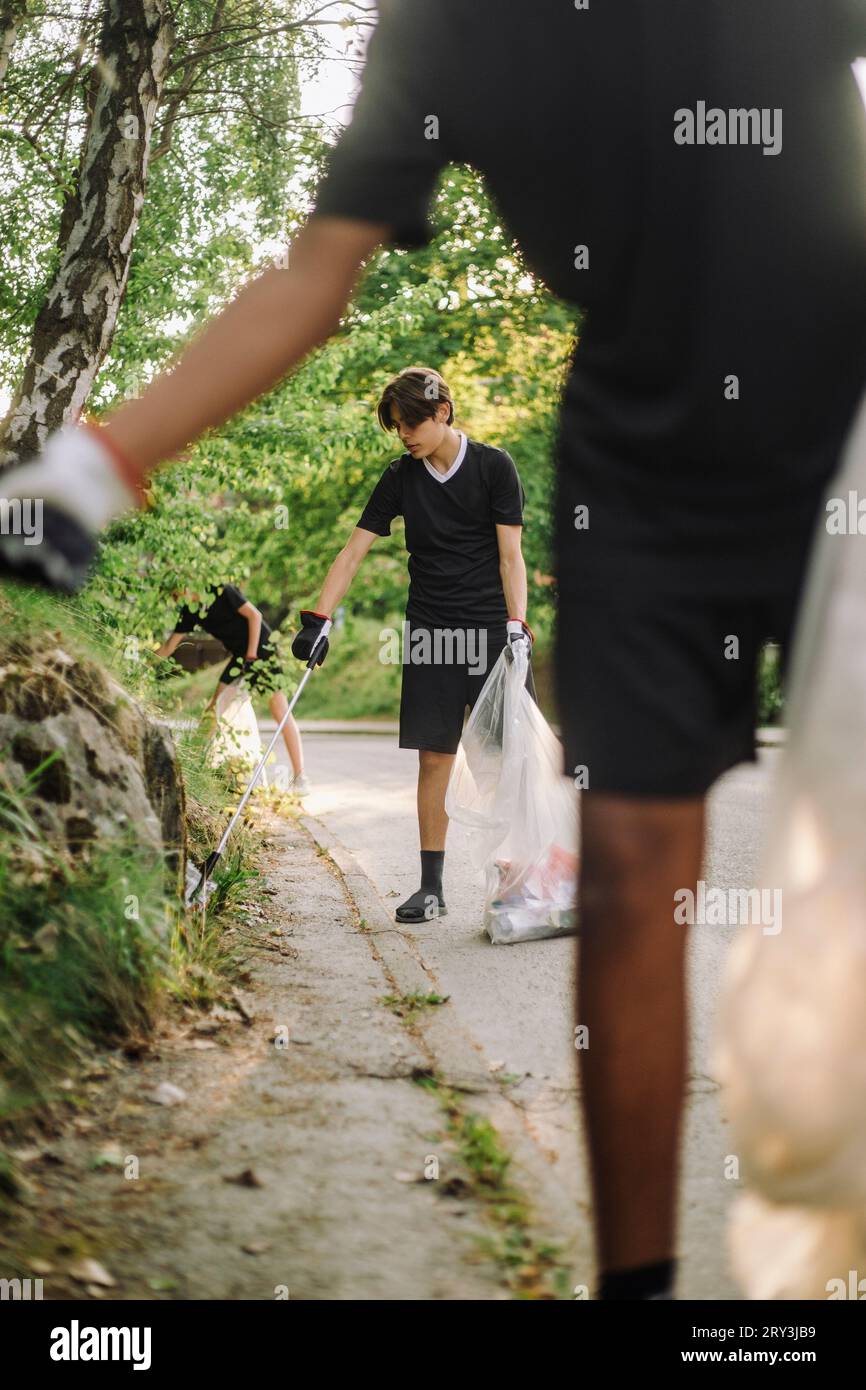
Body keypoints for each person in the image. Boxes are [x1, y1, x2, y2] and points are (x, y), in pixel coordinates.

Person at [3, 0, 866, 1300]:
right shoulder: (439, 34)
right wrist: (85, 468)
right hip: (641, 452)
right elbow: (315, 271)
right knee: (632, 865)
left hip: (847, 401)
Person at [291, 365, 534, 922]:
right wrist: (318, 618)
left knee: (504, 758)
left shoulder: (494, 466)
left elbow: (510, 556)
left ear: (442, 413)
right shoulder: (401, 476)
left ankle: (520, 874)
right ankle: (432, 889)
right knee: (435, 758)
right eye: (396, 427)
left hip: (492, 631)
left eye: (409, 424)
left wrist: (517, 626)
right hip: (430, 632)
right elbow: (353, 552)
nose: (402, 435)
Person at [157, 582, 310, 796]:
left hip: (263, 649)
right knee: (214, 709)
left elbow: (255, 616)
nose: (177, 598)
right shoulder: (190, 612)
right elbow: (168, 647)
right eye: (174, 596)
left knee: (280, 711)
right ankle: (194, 768)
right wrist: (142, 665)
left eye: (177, 592)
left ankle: (300, 777)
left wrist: (251, 655)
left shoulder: (220, 591)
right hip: (240, 657)